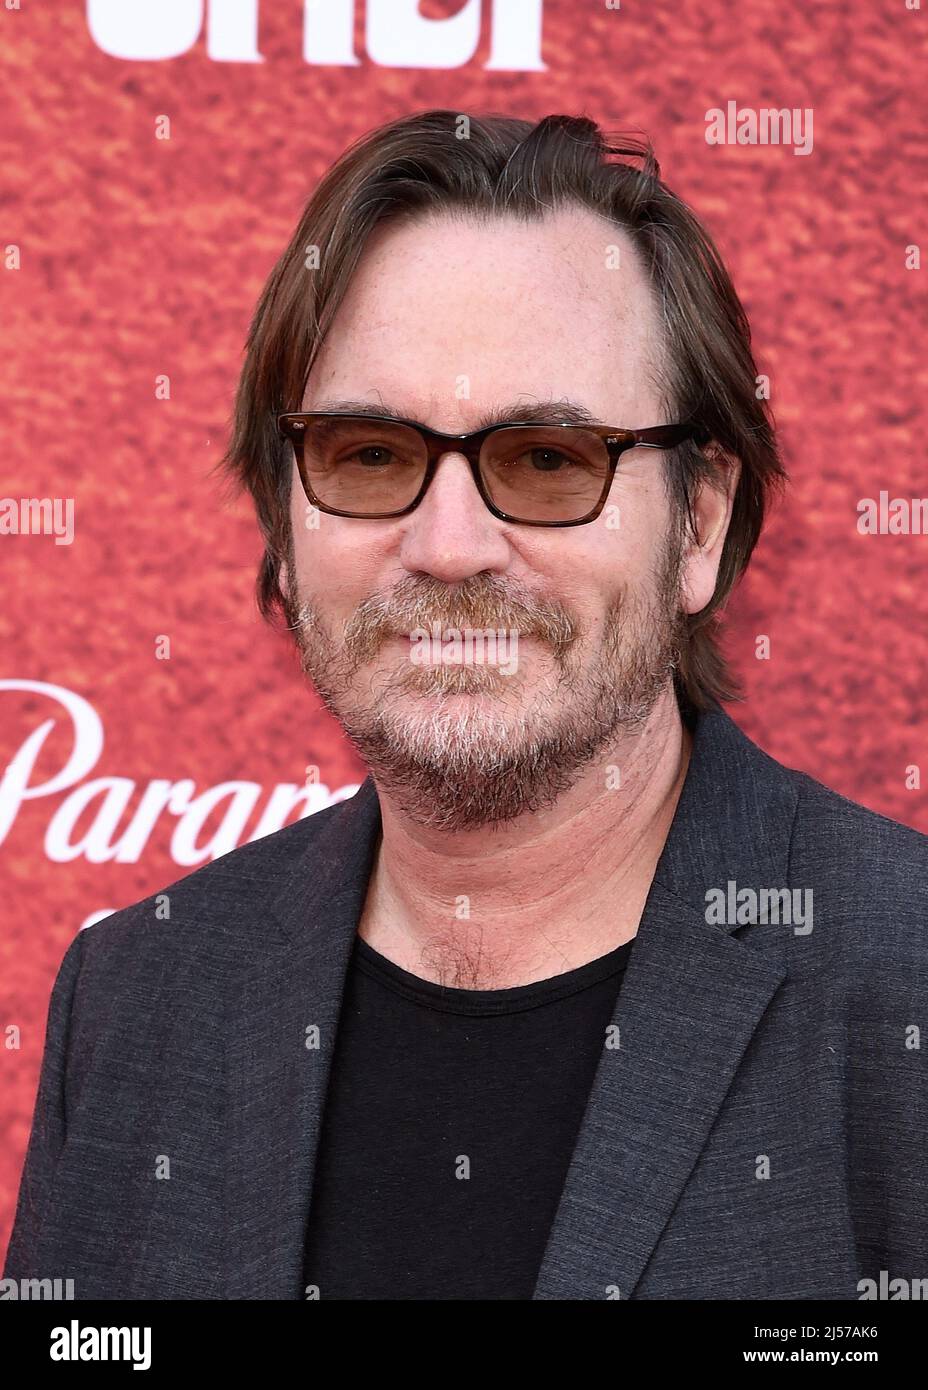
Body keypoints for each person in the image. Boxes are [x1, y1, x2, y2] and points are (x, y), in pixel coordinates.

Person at [5, 110, 926, 1301]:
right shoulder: (137, 997)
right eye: (370, 454)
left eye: (547, 458)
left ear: (698, 525)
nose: (448, 546)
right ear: (283, 529)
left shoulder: (901, 981)